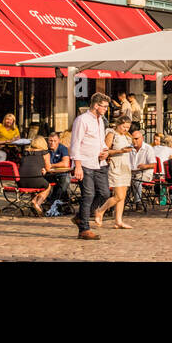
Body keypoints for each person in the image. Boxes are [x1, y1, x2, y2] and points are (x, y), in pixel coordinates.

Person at [70, 92, 111, 241]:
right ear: (96, 105)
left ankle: (81, 216)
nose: (106, 109)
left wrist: (105, 150)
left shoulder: (101, 121)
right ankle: (84, 229)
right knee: (88, 195)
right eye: (104, 106)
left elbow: (100, 141)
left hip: (99, 163)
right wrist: (78, 166)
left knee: (105, 193)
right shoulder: (82, 120)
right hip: (85, 163)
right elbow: (75, 143)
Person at [94, 115, 133, 229]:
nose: (126, 129)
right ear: (118, 124)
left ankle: (118, 220)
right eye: (124, 127)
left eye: (128, 127)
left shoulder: (127, 136)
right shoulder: (112, 134)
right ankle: (100, 210)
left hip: (126, 165)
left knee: (123, 195)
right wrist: (120, 150)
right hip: (116, 165)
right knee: (118, 196)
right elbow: (105, 151)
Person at [18, 137, 53, 215]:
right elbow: (48, 168)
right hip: (35, 179)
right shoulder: (45, 153)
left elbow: (24, 165)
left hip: (21, 181)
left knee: (35, 184)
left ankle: (33, 201)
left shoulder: (25, 152)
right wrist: (45, 169)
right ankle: (37, 203)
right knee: (48, 187)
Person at [42, 132, 72, 208]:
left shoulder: (63, 148)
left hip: (60, 173)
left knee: (66, 180)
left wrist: (51, 165)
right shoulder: (45, 148)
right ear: (47, 141)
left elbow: (65, 163)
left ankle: (51, 201)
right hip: (48, 174)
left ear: (59, 141)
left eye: (55, 141)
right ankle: (61, 202)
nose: (52, 143)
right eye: (50, 141)